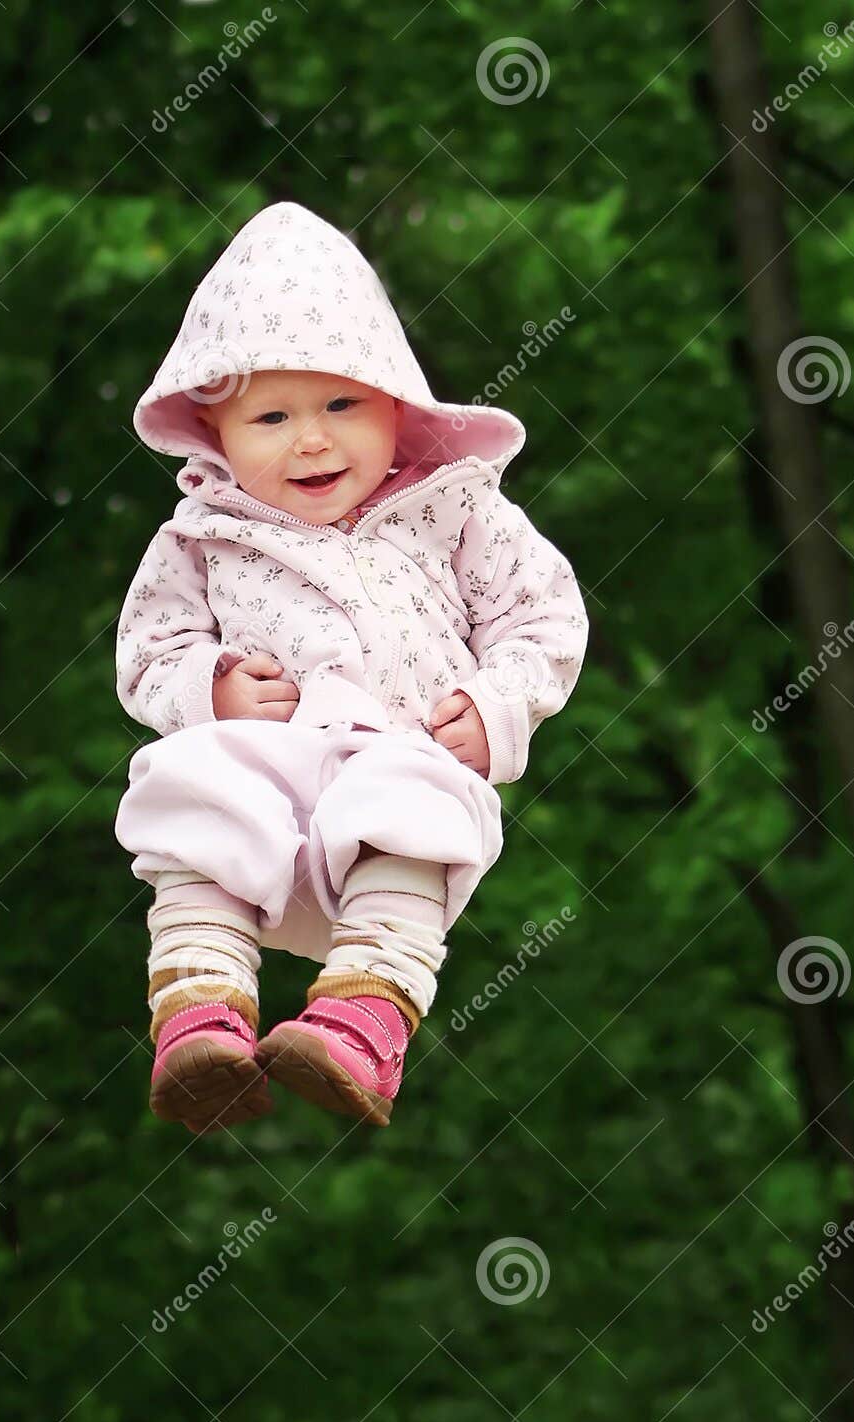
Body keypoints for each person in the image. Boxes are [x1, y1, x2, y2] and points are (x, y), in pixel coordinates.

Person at [114, 201, 587, 1132]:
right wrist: (209, 688)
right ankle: (199, 1012)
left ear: (395, 406)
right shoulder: (203, 537)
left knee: (421, 793)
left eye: (341, 405)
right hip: (262, 801)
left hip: (389, 785)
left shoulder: (455, 511)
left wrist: (497, 708)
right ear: (217, 430)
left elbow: (543, 613)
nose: (314, 439)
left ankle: (359, 1023)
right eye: (273, 416)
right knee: (185, 776)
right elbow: (148, 651)